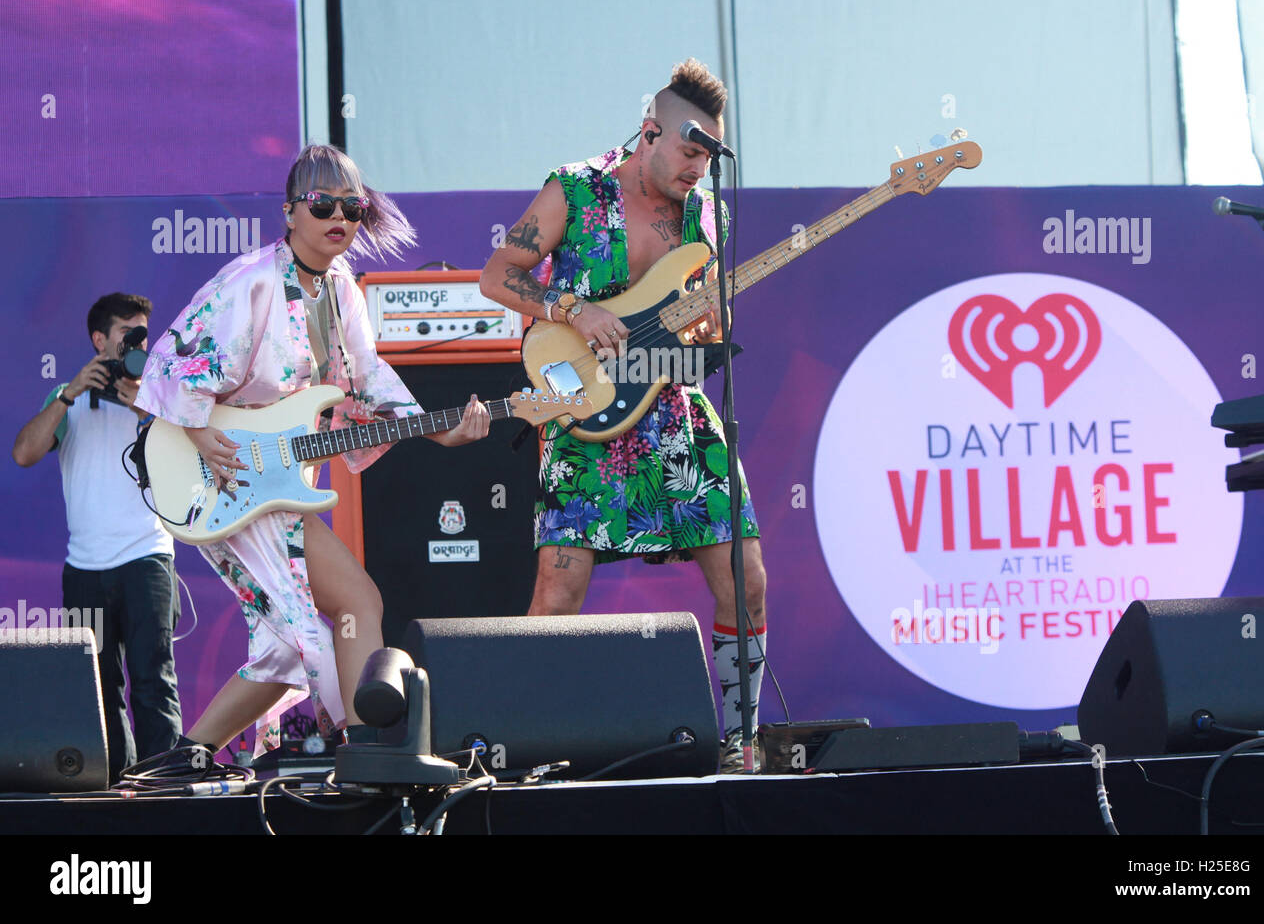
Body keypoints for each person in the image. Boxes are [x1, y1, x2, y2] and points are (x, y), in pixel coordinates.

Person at [135, 144, 489, 762]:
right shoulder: (250, 279)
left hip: (276, 479)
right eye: (322, 204)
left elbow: (369, 382)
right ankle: (364, 752)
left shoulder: (342, 290)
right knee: (311, 631)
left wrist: (442, 431)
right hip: (216, 476)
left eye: (353, 207)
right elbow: (169, 365)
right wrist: (197, 432)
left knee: (334, 616)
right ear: (289, 213)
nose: (340, 217)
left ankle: (186, 758)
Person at [480, 59, 769, 769]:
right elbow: (498, 275)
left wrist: (701, 331)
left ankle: (739, 739)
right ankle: (519, 746)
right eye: (689, 151)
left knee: (746, 572)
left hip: (672, 404)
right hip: (583, 410)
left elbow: (688, 318)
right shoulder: (575, 189)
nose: (697, 168)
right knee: (559, 586)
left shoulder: (708, 213)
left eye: (708, 156)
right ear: (650, 133)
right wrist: (572, 307)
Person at [12, 293, 183, 781]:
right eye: (128, 333)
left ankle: (162, 787)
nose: (137, 342)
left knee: (154, 683)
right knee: (99, 688)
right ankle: (112, 790)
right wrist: (67, 396)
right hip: (86, 568)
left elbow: (192, 454)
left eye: (142, 335)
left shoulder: (158, 392)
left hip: (147, 557)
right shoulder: (68, 397)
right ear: (99, 339)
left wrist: (145, 407)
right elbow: (24, 453)